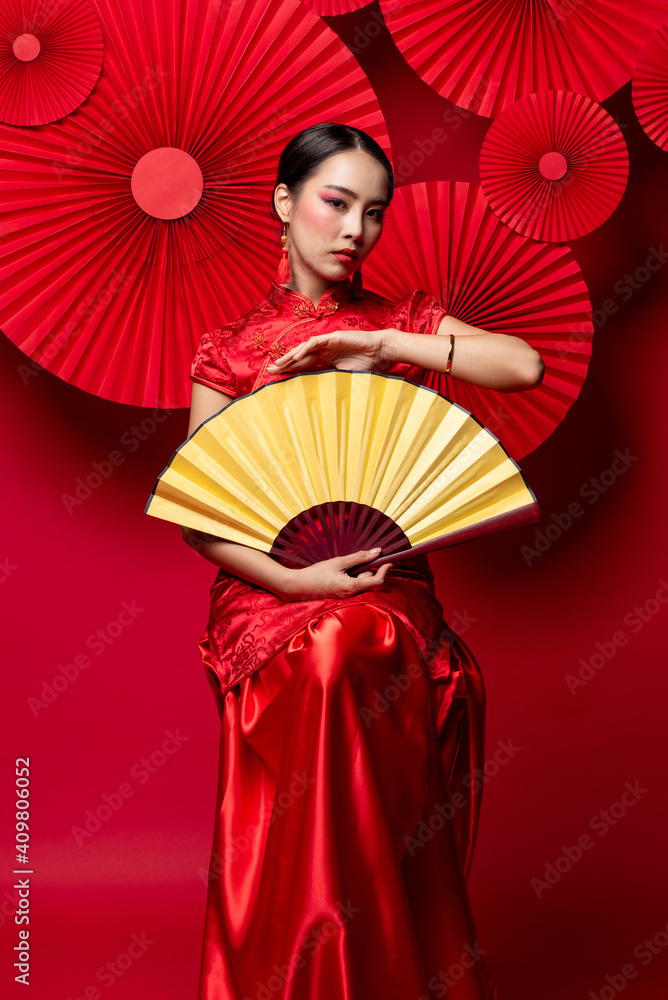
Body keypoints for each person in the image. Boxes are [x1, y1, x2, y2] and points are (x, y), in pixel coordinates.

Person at [181, 122, 544, 1000]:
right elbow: (199, 512)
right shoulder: (229, 352)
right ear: (284, 204)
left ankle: (375, 964)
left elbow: (524, 364)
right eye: (335, 203)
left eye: (373, 213)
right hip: (273, 591)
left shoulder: (400, 320)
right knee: (327, 646)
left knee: (354, 644)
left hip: (387, 585)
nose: (355, 230)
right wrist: (293, 579)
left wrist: (381, 347)